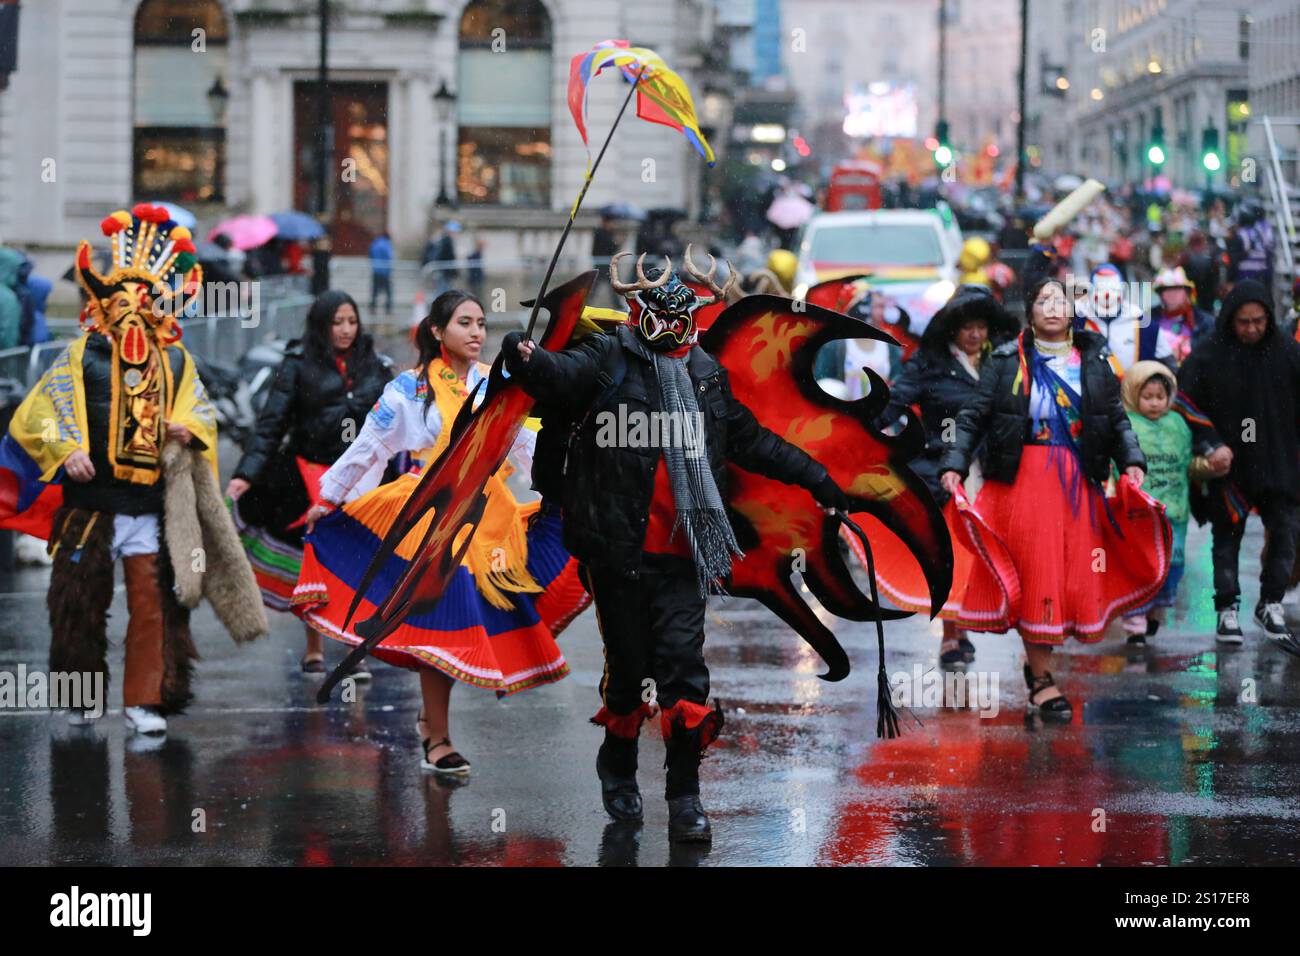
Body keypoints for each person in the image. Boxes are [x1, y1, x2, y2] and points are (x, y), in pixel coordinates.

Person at [502, 254, 850, 842]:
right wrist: (524, 354)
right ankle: (617, 765)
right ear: (639, 312)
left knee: (684, 673)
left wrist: (819, 479)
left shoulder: (706, 371)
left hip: (686, 553)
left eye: (681, 317)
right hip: (617, 551)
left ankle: (686, 796)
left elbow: (749, 439)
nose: (671, 328)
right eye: (658, 314)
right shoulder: (609, 356)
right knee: (629, 671)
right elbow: (558, 378)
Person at [294, 291, 588, 774]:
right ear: (437, 331)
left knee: (475, 620)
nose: (476, 333)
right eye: (464, 323)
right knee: (442, 625)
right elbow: (370, 447)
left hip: (488, 520)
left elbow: (523, 445)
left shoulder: (499, 387)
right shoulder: (407, 391)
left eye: (481, 323)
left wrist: (572, 488)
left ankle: (432, 721)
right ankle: (440, 737)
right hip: (429, 520)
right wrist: (330, 497)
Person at [7, 205, 254, 733]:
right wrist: (64, 449)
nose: (133, 314)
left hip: (148, 505)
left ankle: (148, 700)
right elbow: (37, 415)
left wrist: (189, 429)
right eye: (122, 303)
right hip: (88, 506)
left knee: (153, 605)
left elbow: (201, 409)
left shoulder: (176, 362)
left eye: (143, 303)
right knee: (77, 605)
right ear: (103, 306)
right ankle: (80, 698)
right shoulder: (78, 357)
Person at [938, 277, 1166, 720]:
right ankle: (1042, 680)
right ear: (1031, 311)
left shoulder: (1095, 359)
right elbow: (973, 417)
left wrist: (1130, 460)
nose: (1054, 307)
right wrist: (955, 463)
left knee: (1068, 579)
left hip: (1079, 484)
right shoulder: (1007, 361)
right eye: (1044, 300)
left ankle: (1037, 661)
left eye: (1061, 300)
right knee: (1037, 574)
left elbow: (1115, 418)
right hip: (1022, 483)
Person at [226, 291, 393, 674]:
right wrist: (245, 474)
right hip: (308, 474)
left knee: (359, 561)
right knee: (312, 560)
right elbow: (271, 425)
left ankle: (354, 644)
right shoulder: (297, 364)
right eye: (337, 322)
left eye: (352, 321)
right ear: (321, 325)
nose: (346, 329)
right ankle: (314, 643)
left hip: (364, 477)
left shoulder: (376, 364)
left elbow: (400, 419)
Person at [873, 285, 1020, 668]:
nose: (975, 334)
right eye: (966, 327)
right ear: (952, 329)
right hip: (946, 473)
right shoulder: (929, 362)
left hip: (997, 471)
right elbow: (894, 402)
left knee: (998, 553)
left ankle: (1015, 629)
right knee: (956, 553)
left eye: (981, 326)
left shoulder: (1007, 361)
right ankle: (952, 635)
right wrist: (861, 433)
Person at [1178, 280, 1300, 654]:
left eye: (1259, 321)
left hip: (1279, 462)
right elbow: (1183, 401)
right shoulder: (1209, 355)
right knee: (1226, 537)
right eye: (1244, 321)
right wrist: (1211, 443)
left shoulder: (1287, 352)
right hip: (1229, 466)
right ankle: (1226, 608)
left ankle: (1271, 602)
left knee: (1287, 532)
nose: (1251, 329)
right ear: (1231, 319)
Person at [1117, 362, 1196, 645]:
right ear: (1133, 394)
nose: (1154, 403)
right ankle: (1135, 622)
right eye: (1147, 396)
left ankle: (1152, 615)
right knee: (1140, 565)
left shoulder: (1177, 424)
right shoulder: (1125, 425)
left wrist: (1207, 466)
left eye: (1160, 397)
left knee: (1170, 565)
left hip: (1174, 510)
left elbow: (1188, 460)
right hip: (1138, 514)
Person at [1150, 266, 1214, 368]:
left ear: (1187, 293)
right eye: (1167, 290)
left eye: (1177, 289)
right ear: (1160, 294)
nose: (1172, 294)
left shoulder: (1204, 321)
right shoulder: (1149, 319)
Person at [422, 220, 461, 294]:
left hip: (444, 270)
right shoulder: (446, 241)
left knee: (442, 290)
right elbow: (448, 256)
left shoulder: (444, 240)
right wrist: (454, 271)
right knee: (442, 290)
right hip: (444, 271)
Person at [368, 231, 394, 316]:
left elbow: (370, 253)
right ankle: (388, 308)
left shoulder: (375, 243)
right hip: (385, 271)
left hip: (376, 270)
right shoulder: (387, 244)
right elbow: (390, 255)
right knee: (388, 291)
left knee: (375, 291)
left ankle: (373, 307)